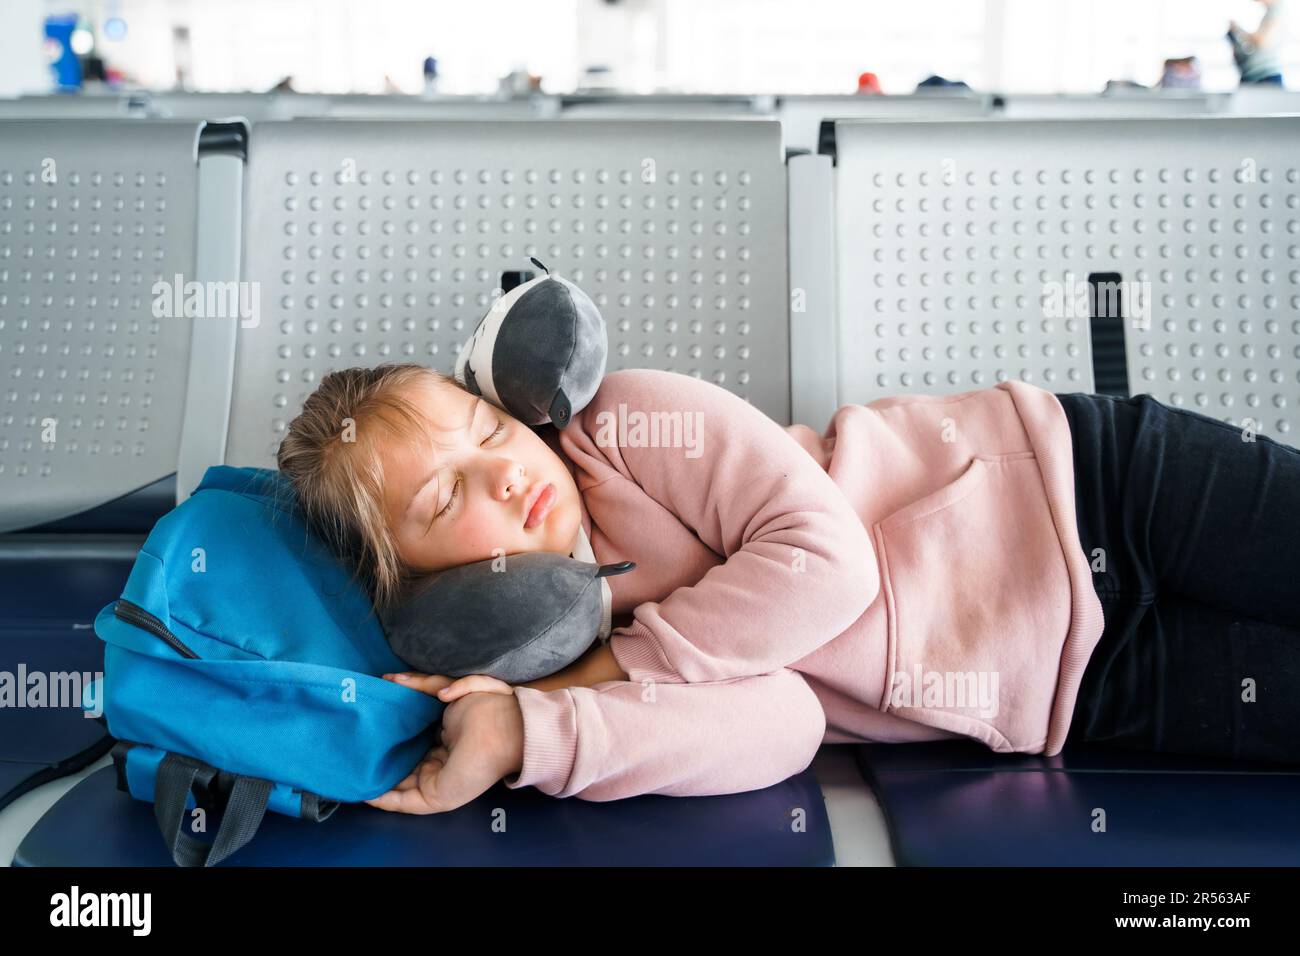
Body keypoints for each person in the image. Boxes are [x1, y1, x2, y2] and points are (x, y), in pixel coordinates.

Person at [276, 364, 1300, 813]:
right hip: (1078, 687)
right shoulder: (555, 671)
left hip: (1091, 482)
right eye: (447, 491)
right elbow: (782, 723)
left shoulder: (623, 425)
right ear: (421, 587)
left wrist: (619, 661)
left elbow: (828, 560)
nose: (505, 469)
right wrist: (537, 732)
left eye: (489, 431)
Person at [1228, 0, 1286, 86]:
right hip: (1254, 75)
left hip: (1264, 75)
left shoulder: (1277, 9)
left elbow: (1260, 41)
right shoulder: (1270, 12)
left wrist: (1237, 29)